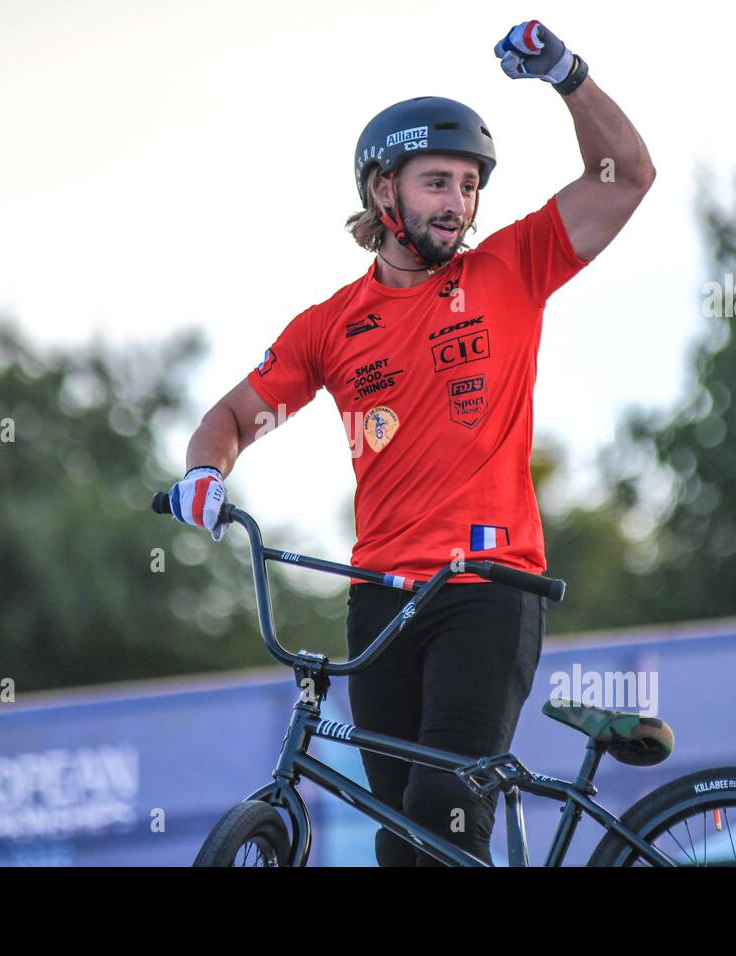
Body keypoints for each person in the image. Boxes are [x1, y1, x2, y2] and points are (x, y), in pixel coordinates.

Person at [168, 19, 654, 865]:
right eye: (438, 183)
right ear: (382, 190)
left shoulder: (511, 268)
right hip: (380, 596)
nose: (458, 204)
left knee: (445, 798)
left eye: (469, 186)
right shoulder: (333, 326)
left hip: (489, 585)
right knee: (402, 839)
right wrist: (207, 474)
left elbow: (627, 177)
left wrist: (567, 76)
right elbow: (238, 416)